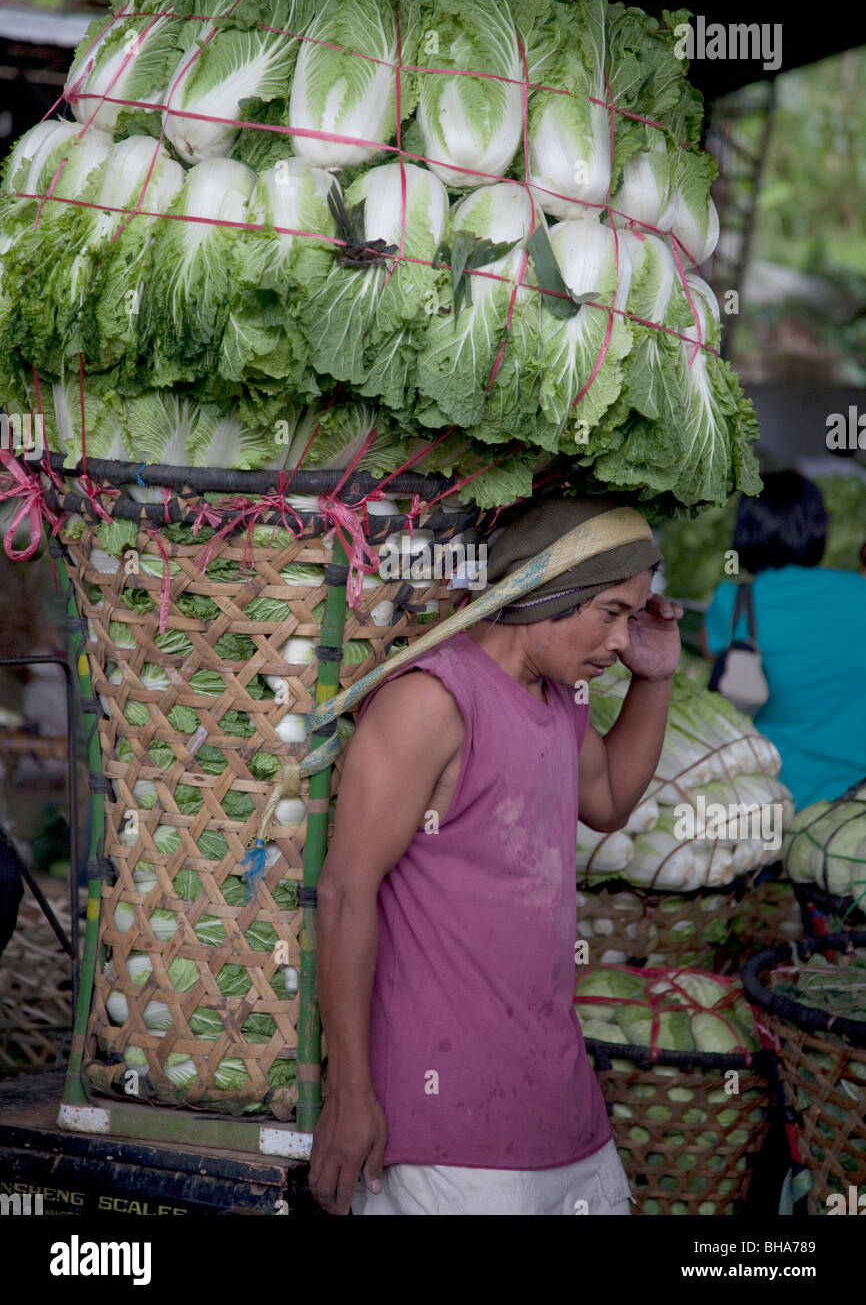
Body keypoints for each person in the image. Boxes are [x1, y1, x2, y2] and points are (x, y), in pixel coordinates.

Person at [308, 495, 684, 1216]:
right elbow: (346, 891)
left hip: (561, 1108)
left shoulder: (559, 697)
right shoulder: (432, 702)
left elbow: (607, 800)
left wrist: (655, 677)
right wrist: (350, 1094)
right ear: (546, 593)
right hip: (449, 1131)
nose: (620, 639)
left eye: (633, 616)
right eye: (610, 612)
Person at [699, 470, 866, 811]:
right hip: (855, 802)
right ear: (819, 528)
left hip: (770, 799)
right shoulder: (859, 591)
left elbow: (709, 654)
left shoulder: (734, 602)